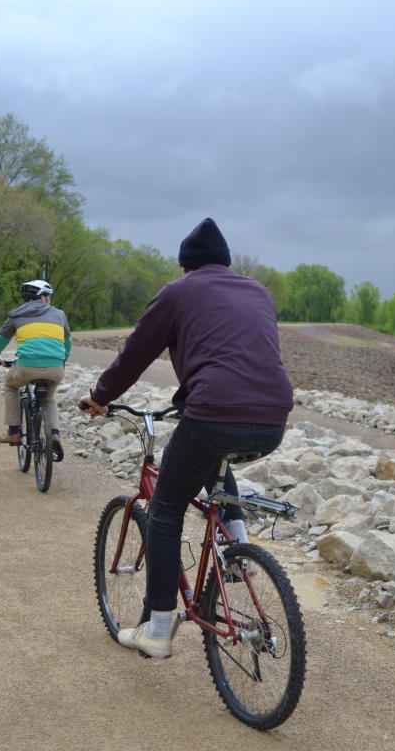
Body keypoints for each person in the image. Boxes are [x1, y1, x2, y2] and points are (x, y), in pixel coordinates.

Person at [79, 218, 293, 659]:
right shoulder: (257, 290)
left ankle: (157, 628)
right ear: (227, 264)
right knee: (215, 458)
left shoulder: (179, 292)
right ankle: (237, 545)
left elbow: (135, 354)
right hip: (273, 416)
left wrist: (101, 397)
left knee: (165, 509)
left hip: (214, 410)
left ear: (185, 268)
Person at [0, 279, 72, 457]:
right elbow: (68, 342)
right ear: (42, 297)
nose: (49, 300)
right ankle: (55, 435)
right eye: (48, 297)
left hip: (26, 368)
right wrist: (62, 359)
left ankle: (13, 432)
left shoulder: (16, 315)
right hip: (55, 368)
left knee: (11, 386)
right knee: (48, 398)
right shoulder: (60, 315)